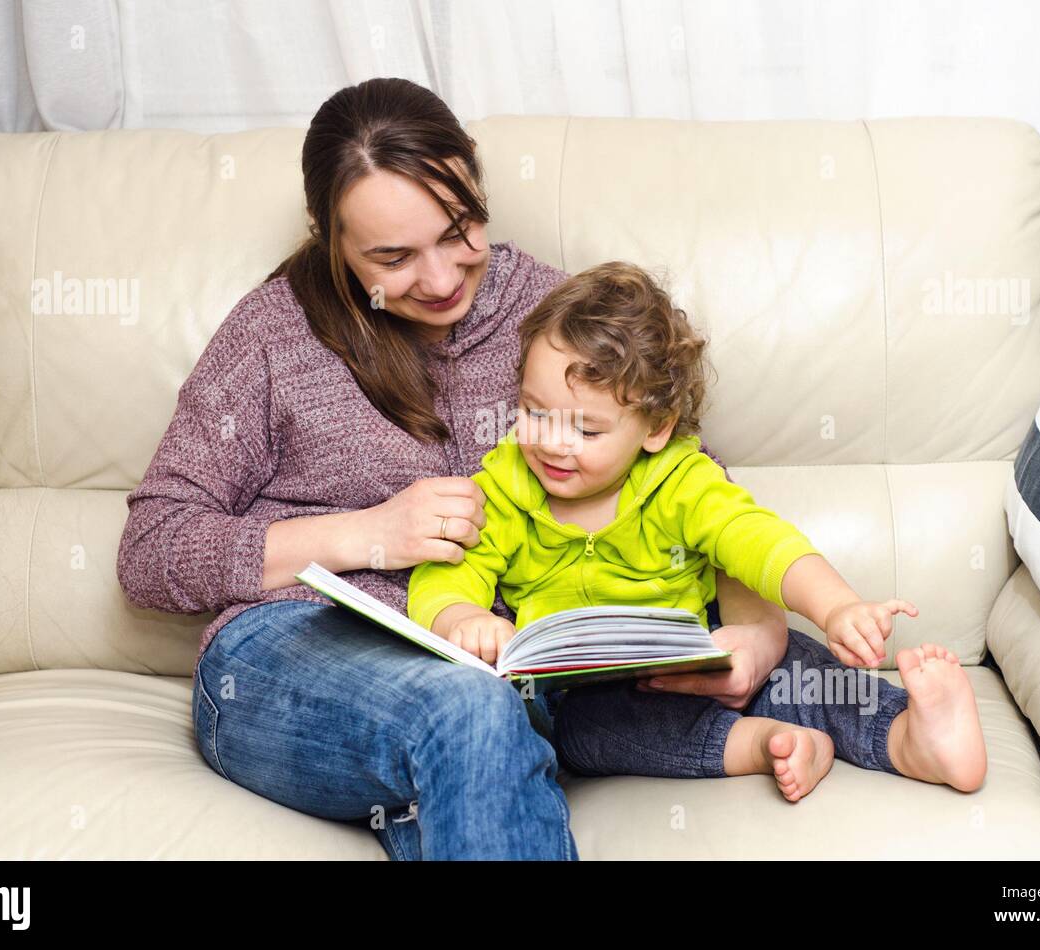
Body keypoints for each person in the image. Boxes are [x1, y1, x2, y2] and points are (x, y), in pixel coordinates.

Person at [115, 76, 944, 861]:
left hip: (514, 684)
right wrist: (367, 536)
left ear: (477, 186)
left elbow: (691, 486)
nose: (441, 279)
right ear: (327, 237)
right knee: (471, 714)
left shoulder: (543, 308)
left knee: (485, 738)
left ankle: (909, 733)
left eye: (457, 232)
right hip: (285, 657)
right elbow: (151, 550)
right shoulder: (271, 337)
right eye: (394, 257)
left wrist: (756, 634)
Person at [407, 260, 988, 801]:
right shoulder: (505, 484)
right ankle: (763, 746)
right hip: (586, 690)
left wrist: (837, 606)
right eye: (535, 413)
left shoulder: (681, 479)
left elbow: (757, 539)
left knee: (802, 673)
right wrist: (461, 618)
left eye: (586, 431)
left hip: (699, 645)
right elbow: (450, 567)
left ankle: (909, 736)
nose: (552, 443)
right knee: (586, 734)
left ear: (655, 427)